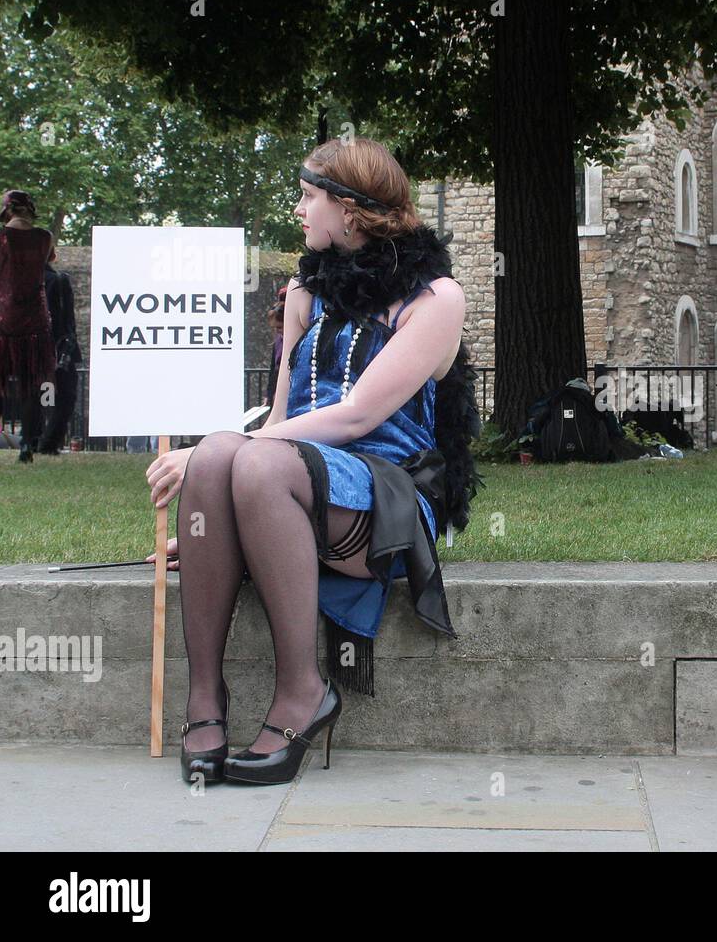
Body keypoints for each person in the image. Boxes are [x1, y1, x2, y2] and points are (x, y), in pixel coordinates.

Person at [145, 137, 481, 787]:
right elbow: (276, 422)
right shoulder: (305, 291)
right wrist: (218, 528)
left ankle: (303, 691)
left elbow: (356, 416)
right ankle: (205, 698)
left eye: (308, 196)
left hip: (384, 491)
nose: (299, 210)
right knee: (221, 453)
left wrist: (242, 459)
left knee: (249, 460)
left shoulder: (435, 299)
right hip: (292, 475)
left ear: (350, 210)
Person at [0, 190, 56, 463]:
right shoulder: (44, 238)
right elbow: (48, 263)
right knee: (32, 385)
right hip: (35, 320)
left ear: (7, 210)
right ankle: (27, 444)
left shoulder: (2, 237)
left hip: (2, 317)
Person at [31, 243, 82, 454]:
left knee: (38, 395)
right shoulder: (57, 280)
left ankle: (33, 440)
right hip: (56, 348)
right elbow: (67, 320)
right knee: (66, 395)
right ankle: (49, 443)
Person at [264, 285, 287, 408]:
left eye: (280, 327)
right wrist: (269, 393)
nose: (278, 331)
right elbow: (273, 368)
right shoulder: (278, 340)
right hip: (277, 391)